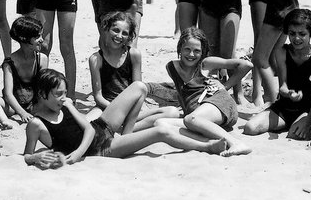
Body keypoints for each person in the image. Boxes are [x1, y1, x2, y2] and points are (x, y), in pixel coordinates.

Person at [23, 69, 230, 167]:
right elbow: (26, 155)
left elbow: (88, 128)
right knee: (161, 132)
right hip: (102, 148)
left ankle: (127, 135)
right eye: (58, 94)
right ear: (42, 95)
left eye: (64, 92)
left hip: (99, 127)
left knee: (139, 87)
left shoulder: (66, 104)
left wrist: (77, 154)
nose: (64, 97)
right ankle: (207, 146)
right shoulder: (36, 124)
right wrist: (35, 158)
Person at [161, 28, 252, 156]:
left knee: (191, 119)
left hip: (219, 103)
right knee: (160, 123)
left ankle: (236, 143)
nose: (191, 54)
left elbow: (246, 65)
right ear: (180, 48)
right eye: (187, 49)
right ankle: (213, 143)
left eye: (197, 51)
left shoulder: (205, 64)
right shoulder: (171, 67)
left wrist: (225, 86)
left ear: (203, 52)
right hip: (200, 117)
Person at [87, 11, 178, 128]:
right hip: (106, 107)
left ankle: (123, 127)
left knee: (172, 112)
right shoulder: (96, 59)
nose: (119, 36)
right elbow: (98, 97)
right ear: (106, 29)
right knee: (85, 124)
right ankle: (128, 128)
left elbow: (138, 90)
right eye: (115, 30)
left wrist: (126, 112)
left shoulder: (134, 54)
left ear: (130, 36)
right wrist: (117, 111)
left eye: (124, 33)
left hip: (130, 109)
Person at [243, 9, 311, 136]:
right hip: (284, 107)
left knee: (294, 134)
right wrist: (289, 93)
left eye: (302, 34)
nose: (296, 38)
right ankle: (292, 124)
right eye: (292, 33)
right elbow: (283, 87)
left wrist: (308, 120)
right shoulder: (282, 52)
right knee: (250, 128)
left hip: (307, 109)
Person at [0, 15, 48, 125]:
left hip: (34, 105)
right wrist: (22, 113)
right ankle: (5, 122)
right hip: (12, 107)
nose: (42, 40)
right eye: (38, 37)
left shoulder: (42, 59)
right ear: (25, 39)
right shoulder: (10, 63)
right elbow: (8, 94)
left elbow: (43, 88)